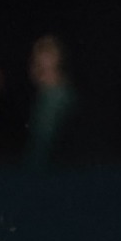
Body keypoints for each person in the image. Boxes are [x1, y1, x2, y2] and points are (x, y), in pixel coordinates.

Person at [25, 34, 76, 169]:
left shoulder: (60, 92)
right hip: (47, 97)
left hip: (56, 97)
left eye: (47, 54)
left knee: (47, 137)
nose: (42, 59)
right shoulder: (43, 83)